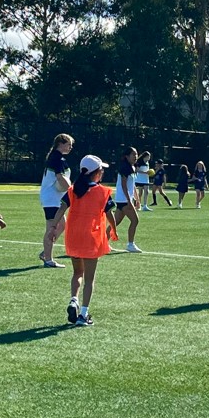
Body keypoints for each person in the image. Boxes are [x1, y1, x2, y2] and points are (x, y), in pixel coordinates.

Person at [57, 154, 118, 326]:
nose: (102, 172)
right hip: (91, 237)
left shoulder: (73, 190)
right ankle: (83, 314)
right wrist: (114, 229)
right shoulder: (102, 192)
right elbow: (110, 214)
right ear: (96, 173)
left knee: (77, 272)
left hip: (74, 236)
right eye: (101, 170)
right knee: (89, 279)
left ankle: (73, 300)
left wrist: (53, 227)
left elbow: (61, 208)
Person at [39, 133, 74, 268]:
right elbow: (60, 178)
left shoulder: (59, 158)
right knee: (51, 228)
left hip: (55, 199)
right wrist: (71, 191)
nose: (70, 147)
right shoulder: (57, 158)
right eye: (69, 144)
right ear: (61, 144)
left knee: (61, 225)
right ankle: (48, 259)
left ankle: (46, 253)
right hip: (51, 199)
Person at [112, 146, 142, 252]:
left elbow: (132, 185)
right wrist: (129, 201)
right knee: (135, 220)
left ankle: (103, 243)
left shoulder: (132, 167)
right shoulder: (125, 168)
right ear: (127, 156)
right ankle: (130, 244)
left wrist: (137, 199)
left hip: (123, 199)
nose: (135, 156)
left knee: (114, 222)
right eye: (133, 154)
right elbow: (123, 185)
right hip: (124, 200)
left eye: (136, 154)